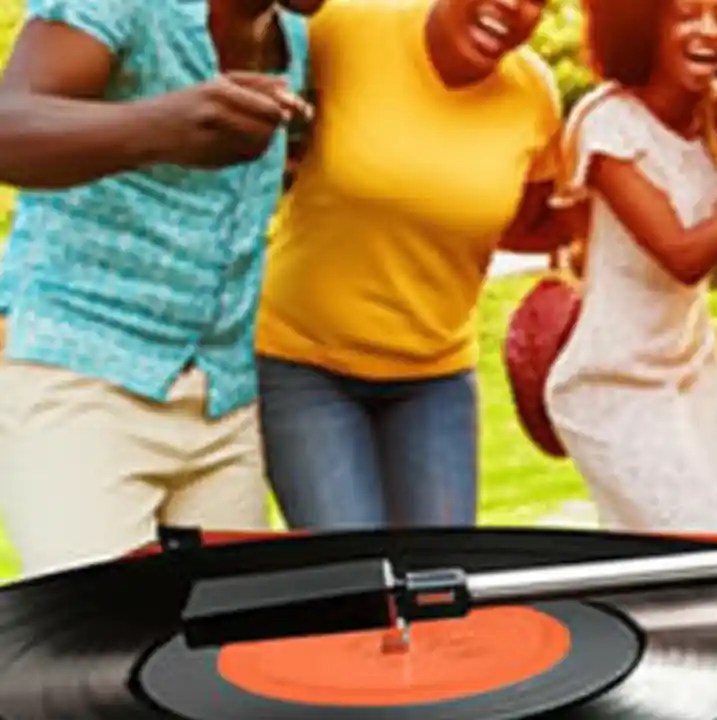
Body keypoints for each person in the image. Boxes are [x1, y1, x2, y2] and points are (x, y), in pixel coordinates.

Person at [0, 0, 318, 578]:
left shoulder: (293, 37)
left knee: (224, 649)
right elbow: (7, 125)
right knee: (93, 645)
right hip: (82, 380)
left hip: (223, 403)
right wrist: (161, 128)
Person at [255, 0, 569, 531]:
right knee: (356, 580)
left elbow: (529, 221)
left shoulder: (534, 94)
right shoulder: (346, 26)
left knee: (437, 588)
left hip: (435, 377)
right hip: (301, 364)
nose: (513, 5)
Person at [543, 0, 717, 532]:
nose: (710, 32)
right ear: (642, 25)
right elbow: (684, 255)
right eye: (687, 14)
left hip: (692, 371)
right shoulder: (609, 124)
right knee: (684, 551)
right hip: (613, 382)